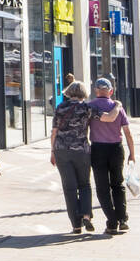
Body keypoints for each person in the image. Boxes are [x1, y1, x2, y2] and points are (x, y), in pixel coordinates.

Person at [50, 81, 122, 235]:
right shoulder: (88, 108)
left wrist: (52, 151)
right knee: (84, 184)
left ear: (68, 92)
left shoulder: (60, 107)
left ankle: (76, 225)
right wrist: (117, 105)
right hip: (82, 150)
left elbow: (54, 131)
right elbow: (110, 118)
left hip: (61, 150)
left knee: (69, 188)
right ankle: (86, 215)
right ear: (84, 93)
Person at [87, 77, 134, 234]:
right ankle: (122, 219)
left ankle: (111, 222)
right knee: (118, 184)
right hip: (116, 149)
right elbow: (127, 132)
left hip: (98, 149)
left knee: (102, 187)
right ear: (111, 91)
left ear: (95, 91)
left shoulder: (90, 107)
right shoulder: (118, 107)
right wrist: (132, 153)